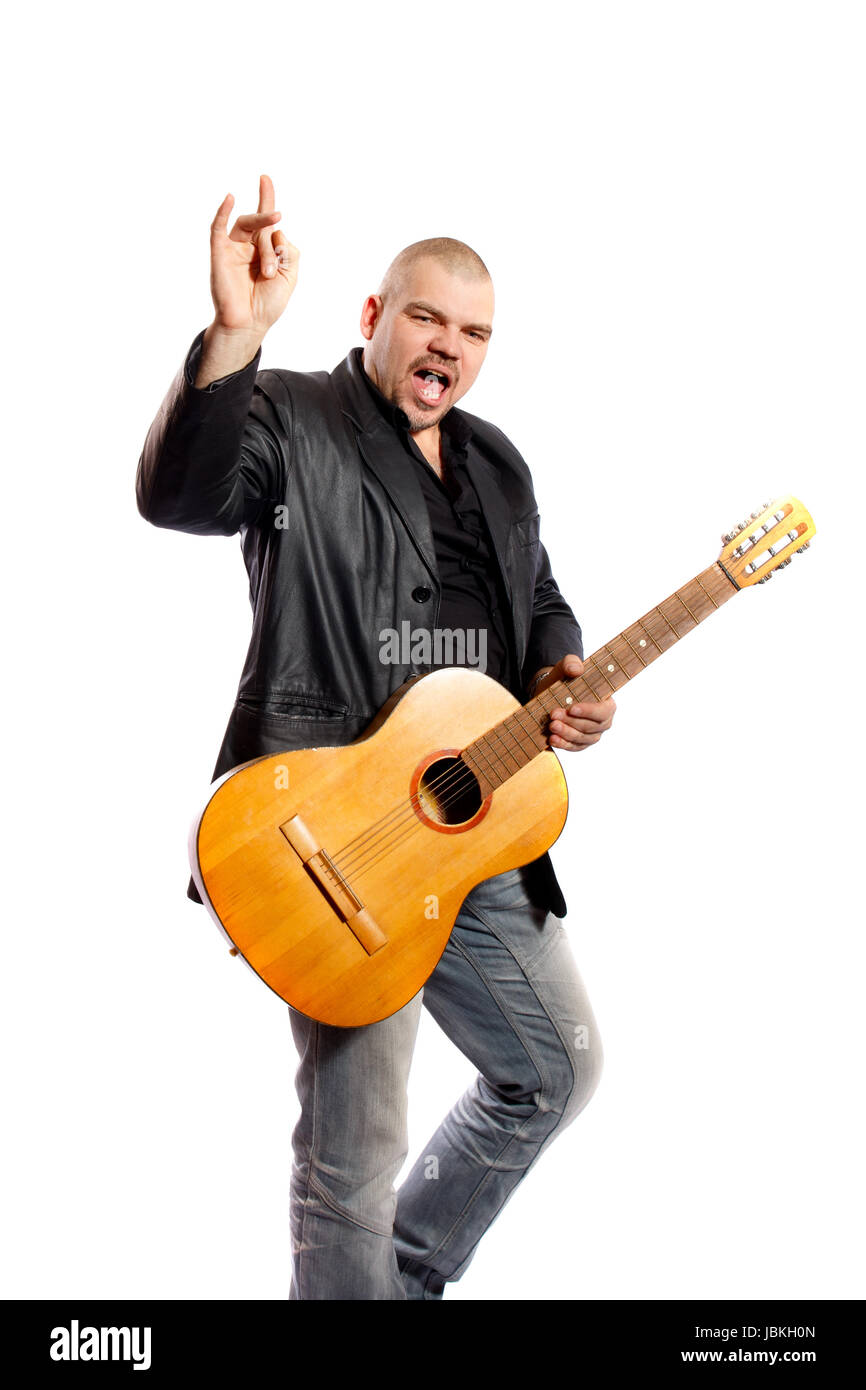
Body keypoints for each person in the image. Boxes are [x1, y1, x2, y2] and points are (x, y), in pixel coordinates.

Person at [136, 174, 616, 1300]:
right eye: (425, 317)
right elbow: (179, 494)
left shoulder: (496, 460)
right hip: (341, 835)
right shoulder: (292, 419)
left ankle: (392, 1284)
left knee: (554, 1070)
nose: (447, 344)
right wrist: (233, 336)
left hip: (476, 823)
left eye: (473, 331)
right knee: (353, 1158)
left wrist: (562, 667)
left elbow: (534, 594)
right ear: (372, 318)